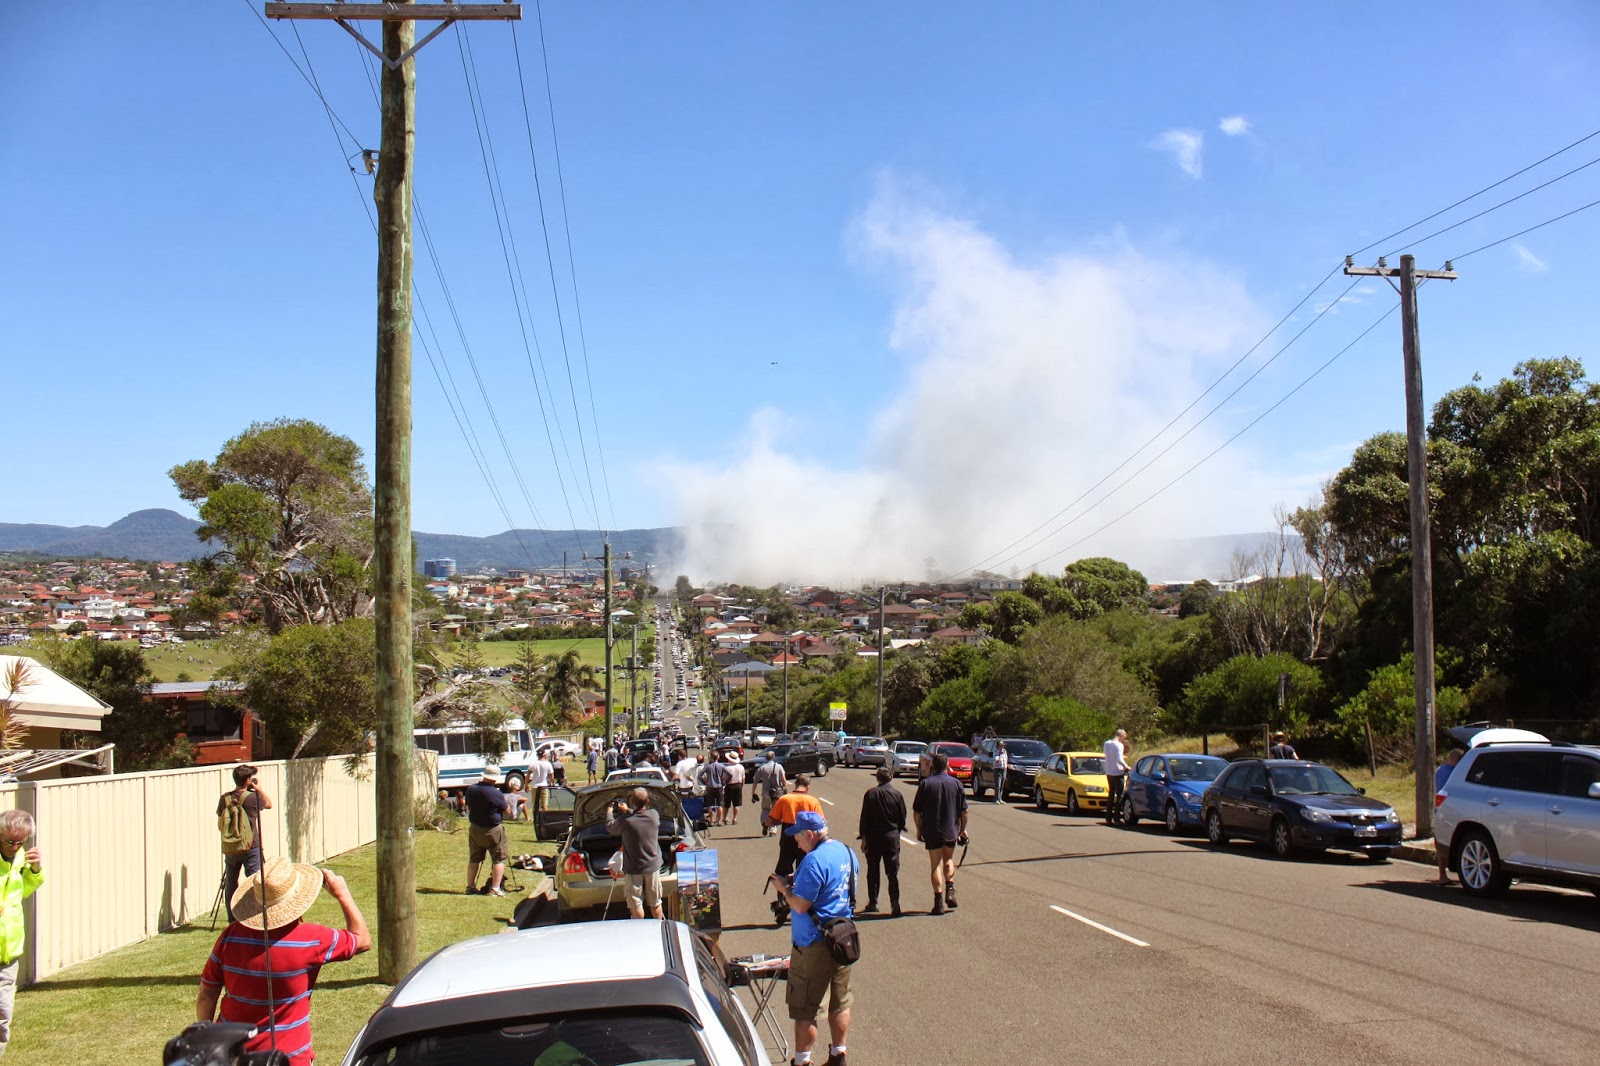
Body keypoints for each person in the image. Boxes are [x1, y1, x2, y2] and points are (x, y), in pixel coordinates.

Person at [198, 856, 370, 1066]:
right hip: (290, 1058)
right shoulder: (311, 939)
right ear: (297, 898)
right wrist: (342, 893)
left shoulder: (230, 936)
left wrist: (207, 1044)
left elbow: (207, 993)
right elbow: (362, 940)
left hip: (232, 1055)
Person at [768, 811, 857, 1066]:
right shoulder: (847, 852)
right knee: (841, 1001)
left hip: (813, 943)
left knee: (806, 1006)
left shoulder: (813, 860)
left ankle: (802, 1060)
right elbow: (838, 887)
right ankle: (839, 1054)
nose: (797, 843)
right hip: (843, 937)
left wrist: (784, 888)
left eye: (798, 837)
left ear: (810, 834)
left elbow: (800, 905)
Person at [0, 810, 43, 1058]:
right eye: (9, 841)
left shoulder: (21, 860)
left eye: (20, 842)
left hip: (8, 954)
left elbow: (23, 891)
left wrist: (35, 871)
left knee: (3, 1017)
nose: (15, 847)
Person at [911, 752, 967, 915]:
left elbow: (917, 812)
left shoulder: (925, 784)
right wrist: (962, 830)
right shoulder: (957, 784)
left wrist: (919, 829)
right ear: (947, 765)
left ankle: (938, 902)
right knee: (948, 859)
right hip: (951, 829)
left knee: (935, 864)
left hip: (932, 830)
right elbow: (964, 812)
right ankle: (950, 888)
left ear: (933, 766)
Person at [217, 763, 273, 921]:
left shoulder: (225, 798)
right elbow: (268, 804)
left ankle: (232, 919)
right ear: (248, 780)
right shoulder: (251, 798)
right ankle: (254, 916)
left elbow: (221, 819)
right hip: (250, 846)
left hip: (231, 846)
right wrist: (259, 788)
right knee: (254, 881)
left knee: (231, 882)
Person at [768, 775, 825, 923]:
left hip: (788, 834)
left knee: (783, 870)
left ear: (796, 784)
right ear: (808, 786)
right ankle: (801, 904)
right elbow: (821, 821)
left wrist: (767, 824)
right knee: (802, 871)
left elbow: (771, 818)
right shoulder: (813, 801)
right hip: (807, 837)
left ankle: (782, 904)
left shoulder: (785, 799)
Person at [606, 788, 663, 919]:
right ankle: (658, 928)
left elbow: (611, 827)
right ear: (647, 801)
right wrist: (628, 811)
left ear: (632, 802)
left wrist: (609, 812)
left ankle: (640, 931)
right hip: (652, 866)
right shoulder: (654, 815)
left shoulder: (625, 821)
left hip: (633, 868)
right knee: (655, 903)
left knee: (636, 903)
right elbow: (641, 815)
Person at [857, 765, 905, 916]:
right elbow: (902, 817)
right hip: (891, 836)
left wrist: (863, 837)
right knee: (892, 872)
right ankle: (894, 903)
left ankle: (873, 901)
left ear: (878, 778)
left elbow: (864, 818)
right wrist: (898, 831)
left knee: (873, 870)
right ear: (890, 778)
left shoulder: (870, 794)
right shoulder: (897, 794)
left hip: (873, 837)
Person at [464, 766, 510, 896]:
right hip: (492, 829)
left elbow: (469, 804)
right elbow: (507, 811)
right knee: (499, 858)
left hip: (475, 827)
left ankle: (470, 886)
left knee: (474, 858)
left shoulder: (471, 789)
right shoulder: (496, 793)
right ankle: (495, 888)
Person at [1435, 748, 1466, 883]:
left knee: (1442, 842)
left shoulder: (1441, 770)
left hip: (1442, 809)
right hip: (1452, 810)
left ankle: (1442, 875)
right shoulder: (1455, 773)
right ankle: (1446, 875)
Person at [753, 749, 788, 835]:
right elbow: (783, 779)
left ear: (766, 758)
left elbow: (755, 781)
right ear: (774, 757)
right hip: (777, 792)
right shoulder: (779, 767)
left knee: (765, 809)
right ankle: (772, 829)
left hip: (766, 792)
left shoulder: (762, 768)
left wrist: (753, 792)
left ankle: (765, 823)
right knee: (775, 810)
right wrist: (785, 789)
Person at [1103, 729, 1131, 825]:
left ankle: (1108, 817)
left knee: (1111, 794)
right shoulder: (1119, 745)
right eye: (1124, 738)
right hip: (1117, 772)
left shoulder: (1107, 743)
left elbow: (1107, 756)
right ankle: (1117, 818)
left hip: (1109, 771)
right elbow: (1119, 759)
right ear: (1121, 736)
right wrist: (1126, 766)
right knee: (1120, 796)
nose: (1124, 740)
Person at [703, 753, 729, 827]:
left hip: (710, 786)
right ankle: (719, 821)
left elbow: (700, 775)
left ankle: (711, 821)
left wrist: (705, 782)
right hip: (719, 786)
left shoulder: (707, 767)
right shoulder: (721, 766)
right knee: (720, 804)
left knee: (710, 805)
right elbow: (730, 774)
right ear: (718, 757)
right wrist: (725, 782)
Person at [723, 751, 747, 827]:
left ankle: (724, 818)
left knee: (726, 804)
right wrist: (742, 786)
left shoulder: (727, 768)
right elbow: (743, 778)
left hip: (729, 785)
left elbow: (724, 778)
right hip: (738, 785)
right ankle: (735, 818)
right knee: (736, 804)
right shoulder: (741, 767)